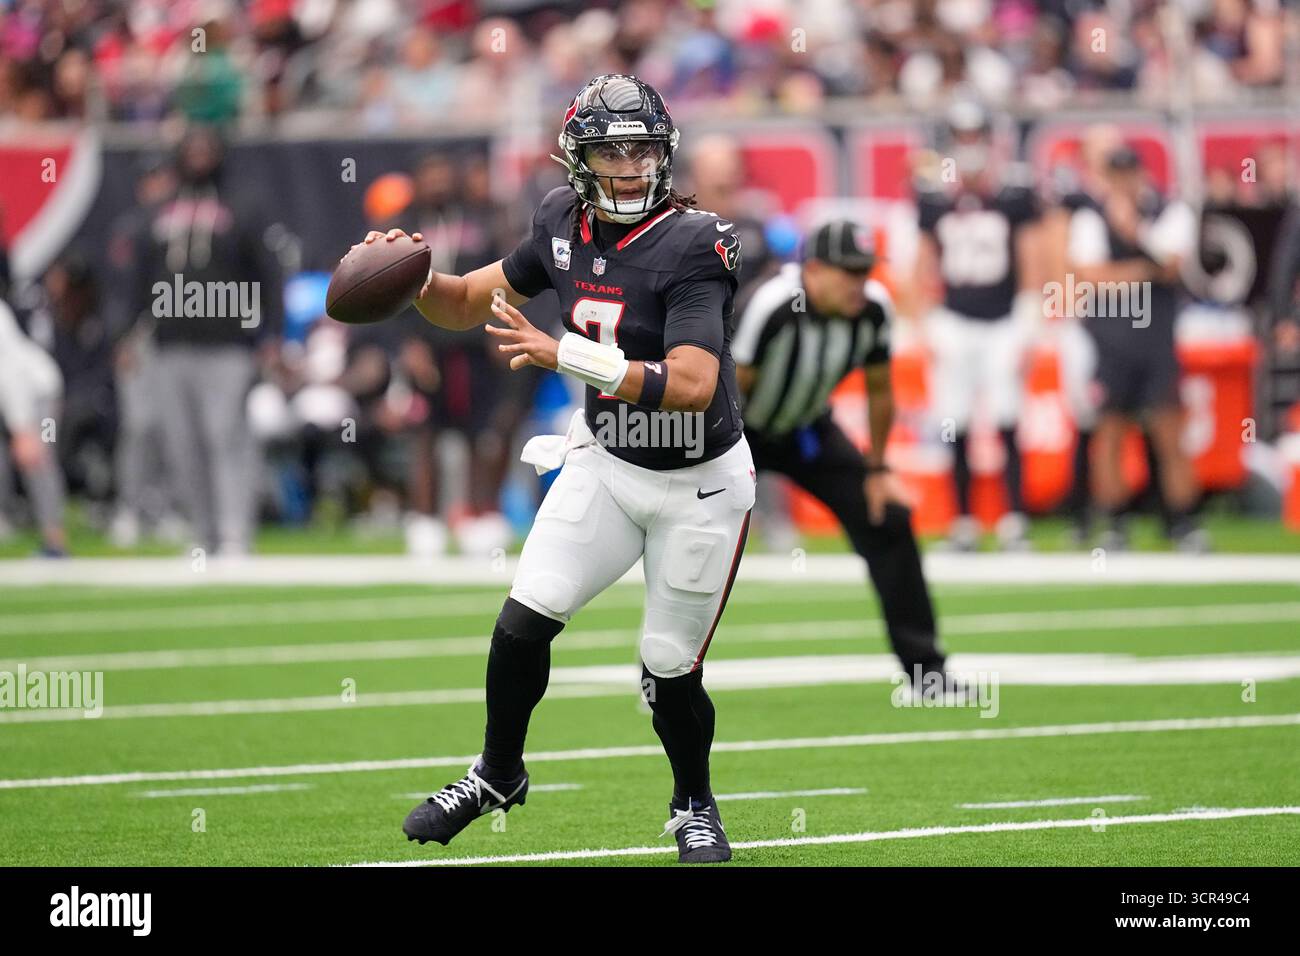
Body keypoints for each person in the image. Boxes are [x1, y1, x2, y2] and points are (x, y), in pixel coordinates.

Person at [370, 75, 754, 863]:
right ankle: (496, 774)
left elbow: (692, 385)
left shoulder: (695, 242)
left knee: (668, 665)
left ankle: (694, 804)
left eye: (642, 148)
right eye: (611, 150)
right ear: (578, 160)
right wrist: (412, 282)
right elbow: (471, 299)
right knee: (525, 615)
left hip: (699, 484)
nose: (629, 165)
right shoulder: (558, 220)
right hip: (607, 463)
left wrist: (566, 354)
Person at [735, 220, 957, 695]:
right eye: (847, 272)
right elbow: (731, 389)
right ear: (812, 271)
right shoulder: (772, 304)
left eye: (864, 271)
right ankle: (667, 679)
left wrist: (877, 469)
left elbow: (880, 390)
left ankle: (927, 673)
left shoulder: (874, 309)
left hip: (807, 432)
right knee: (696, 542)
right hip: (737, 434)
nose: (859, 283)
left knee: (888, 519)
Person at [913, 99, 1043, 551]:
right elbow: (924, 263)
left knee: (1008, 418)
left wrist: (1030, 315)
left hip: (1003, 320)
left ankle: (1014, 520)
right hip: (954, 321)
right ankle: (963, 522)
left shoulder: (1013, 194)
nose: (969, 148)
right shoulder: (932, 199)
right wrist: (923, 322)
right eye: (961, 139)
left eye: (975, 138)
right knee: (956, 421)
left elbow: (1030, 258)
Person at [1064, 145, 1205, 551]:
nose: (1123, 182)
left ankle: (1182, 519)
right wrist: (1141, 270)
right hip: (1109, 339)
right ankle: (1114, 519)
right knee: (1108, 430)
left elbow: (1172, 264)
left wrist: (1132, 233)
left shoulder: (1167, 211)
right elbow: (1090, 276)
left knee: (1167, 429)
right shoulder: (1090, 216)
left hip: (1156, 337)